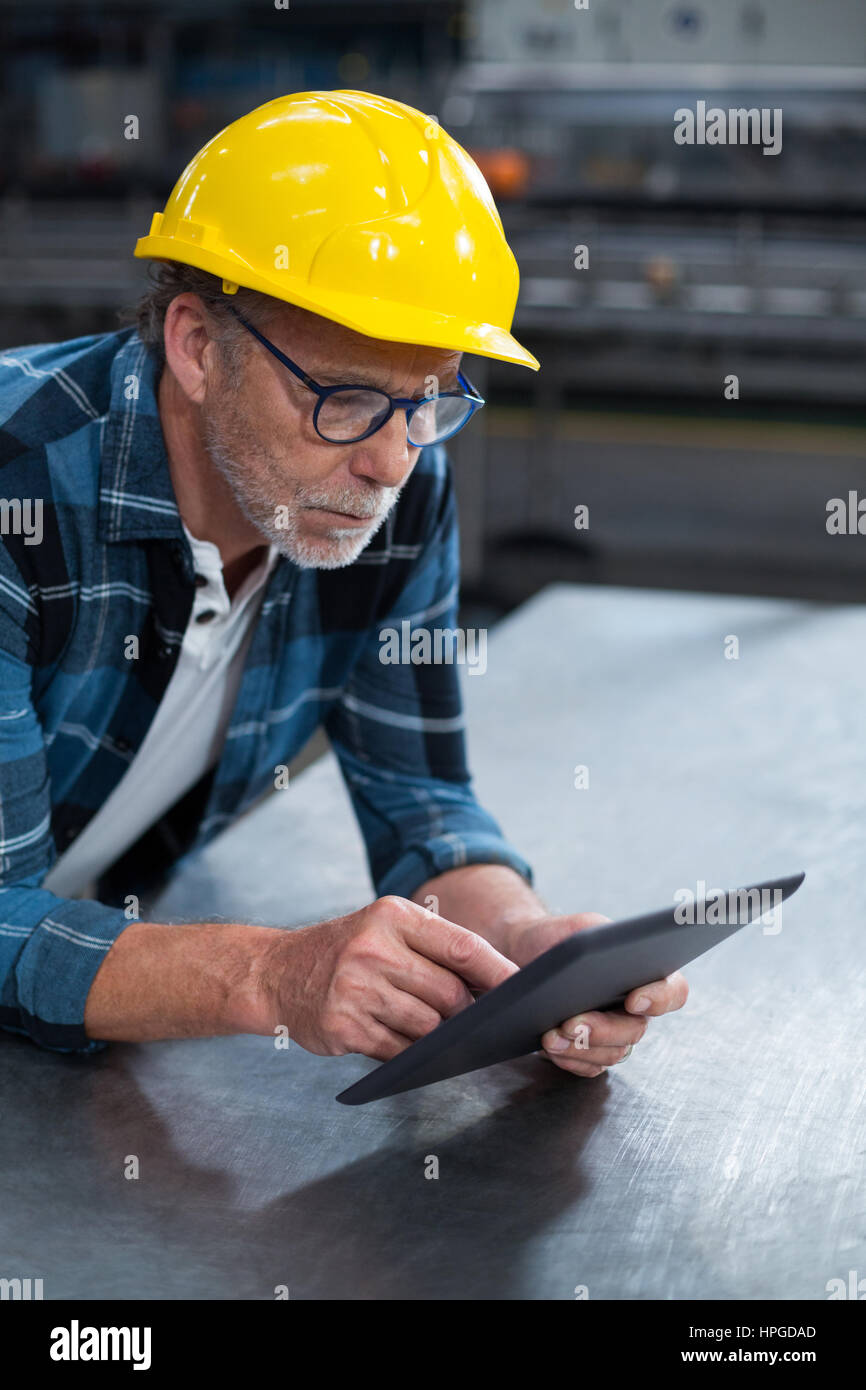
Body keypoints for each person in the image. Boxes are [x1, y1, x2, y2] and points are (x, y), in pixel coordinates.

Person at [0, 91, 686, 1077]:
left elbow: (417, 796)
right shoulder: (18, 487)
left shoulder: (397, 491)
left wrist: (525, 950)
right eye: (347, 397)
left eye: (426, 400)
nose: (392, 461)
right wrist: (270, 975)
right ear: (195, 345)